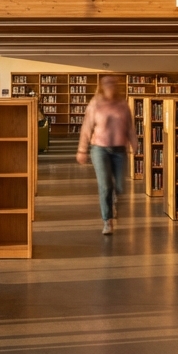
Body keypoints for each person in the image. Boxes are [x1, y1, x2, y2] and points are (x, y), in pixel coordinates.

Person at [76, 75, 138, 235]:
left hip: (119, 150)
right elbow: (86, 127)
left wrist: (135, 143)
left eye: (113, 83)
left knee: (119, 187)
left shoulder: (123, 105)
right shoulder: (95, 104)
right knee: (105, 186)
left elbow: (130, 126)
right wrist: (82, 150)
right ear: (102, 86)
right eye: (107, 84)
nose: (110, 86)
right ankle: (107, 221)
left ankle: (113, 204)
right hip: (99, 149)